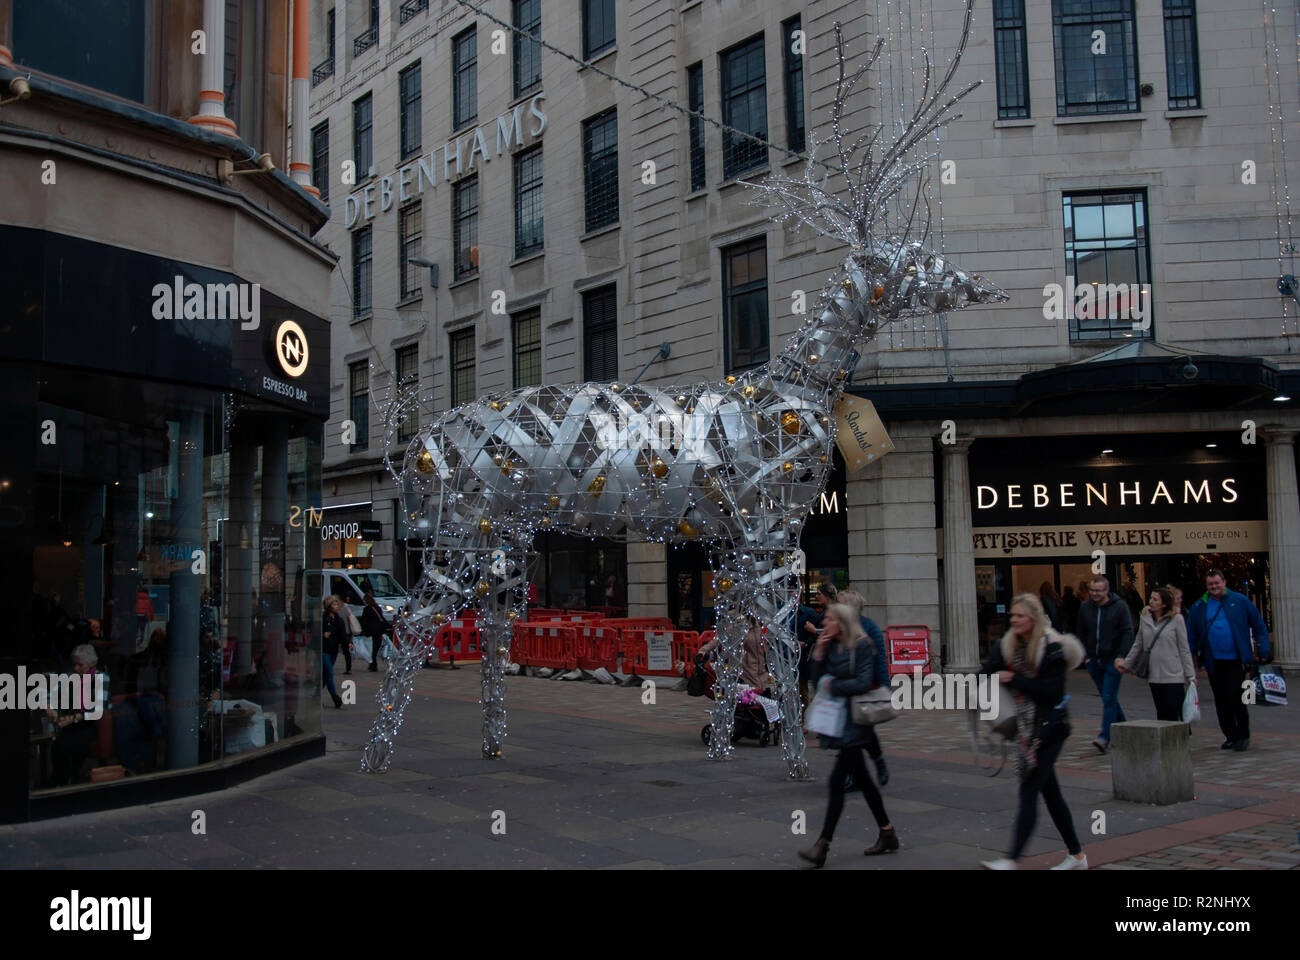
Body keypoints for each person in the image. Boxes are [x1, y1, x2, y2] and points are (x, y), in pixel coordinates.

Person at [979, 594, 1088, 870]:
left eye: (1020, 616)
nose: (1014, 620)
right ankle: (1077, 856)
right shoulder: (1008, 645)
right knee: (1050, 793)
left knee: (1029, 790)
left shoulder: (1052, 649)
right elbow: (985, 673)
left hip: (1051, 727)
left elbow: (1051, 693)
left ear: (1034, 618)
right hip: (1027, 729)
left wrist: (1015, 679)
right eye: (1012, 615)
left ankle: (1011, 859)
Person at [798, 603, 897, 867]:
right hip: (839, 720)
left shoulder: (861, 645)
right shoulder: (830, 645)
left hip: (856, 721)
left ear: (841, 622)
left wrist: (834, 684)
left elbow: (864, 682)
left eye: (829, 619)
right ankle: (887, 832)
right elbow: (817, 683)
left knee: (836, 782)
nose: (824, 623)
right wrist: (818, 654)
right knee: (863, 781)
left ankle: (823, 845)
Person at [1185, 569, 1270, 751]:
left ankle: (1243, 735)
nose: (1214, 587)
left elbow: (1258, 625)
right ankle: (1230, 735)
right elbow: (1190, 635)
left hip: (1236, 660)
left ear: (1224, 582)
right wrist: (1188, 661)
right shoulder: (1200, 606)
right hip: (1213, 661)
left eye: (1217, 583)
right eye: (1210, 584)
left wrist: (1263, 648)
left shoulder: (1240, 601)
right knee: (1221, 700)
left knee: (1237, 697)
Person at [1116, 588, 1195, 722]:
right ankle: (1164, 741)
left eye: (1155, 599)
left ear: (1164, 604)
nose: (1151, 602)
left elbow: (1184, 649)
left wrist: (1190, 675)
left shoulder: (1177, 619)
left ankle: (1178, 739)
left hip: (1173, 675)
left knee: (1174, 712)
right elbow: (1138, 644)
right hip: (1154, 675)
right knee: (1162, 712)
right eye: (1151, 598)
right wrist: (1126, 664)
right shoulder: (1145, 618)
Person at [838, 589, 891, 786]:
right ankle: (856, 772)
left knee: (862, 732)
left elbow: (880, 661)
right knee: (849, 733)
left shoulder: (870, 627)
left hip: (864, 688)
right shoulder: (837, 627)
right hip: (842, 688)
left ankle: (874, 764)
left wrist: (885, 687)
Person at [1076, 575, 1134, 753]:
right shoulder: (1085, 608)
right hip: (1094, 661)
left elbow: (1127, 632)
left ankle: (1104, 737)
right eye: (1092, 590)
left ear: (1107, 590)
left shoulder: (1119, 607)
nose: (1094, 594)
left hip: (1113, 660)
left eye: (1098, 591)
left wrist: (1122, 655)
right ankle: (1125, 730)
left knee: (1108, 697)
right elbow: (1080, 631)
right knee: (1108, 698)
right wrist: (1085, 656)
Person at [47, 644, 108, 786]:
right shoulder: (71, 676)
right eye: (74, 664)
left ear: (91, 664)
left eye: (80, 665)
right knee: (57, 747)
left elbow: (97, 710)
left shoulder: (101, 678)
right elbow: (51, 693)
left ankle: (72, 779)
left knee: (76, 745)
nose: (75, 668)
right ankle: (59, 780)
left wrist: (72, 719)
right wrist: (49, 706)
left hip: (91, 722)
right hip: (73, 722)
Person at [321, 595, 346, 708]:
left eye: (337, 604)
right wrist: (323, 635)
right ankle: (335, 697)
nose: (336, 606)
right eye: (334, 604)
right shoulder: (323, 619)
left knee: (325, 675)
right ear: (329, 606)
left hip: (333, 650)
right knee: (329, 672)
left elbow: (343, 635)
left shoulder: (338, 620)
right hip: (324, 649)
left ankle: (315, 696)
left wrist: (347, 644)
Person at [360, 592, 392, 672]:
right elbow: (381, 617)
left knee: (372, 648)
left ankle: (373, 665)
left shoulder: (366, 609)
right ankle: (373, 664)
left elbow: (364, 621)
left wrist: (363, 630)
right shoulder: (377, 608)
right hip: (379, 630)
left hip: (371, 631)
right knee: (376, 647)